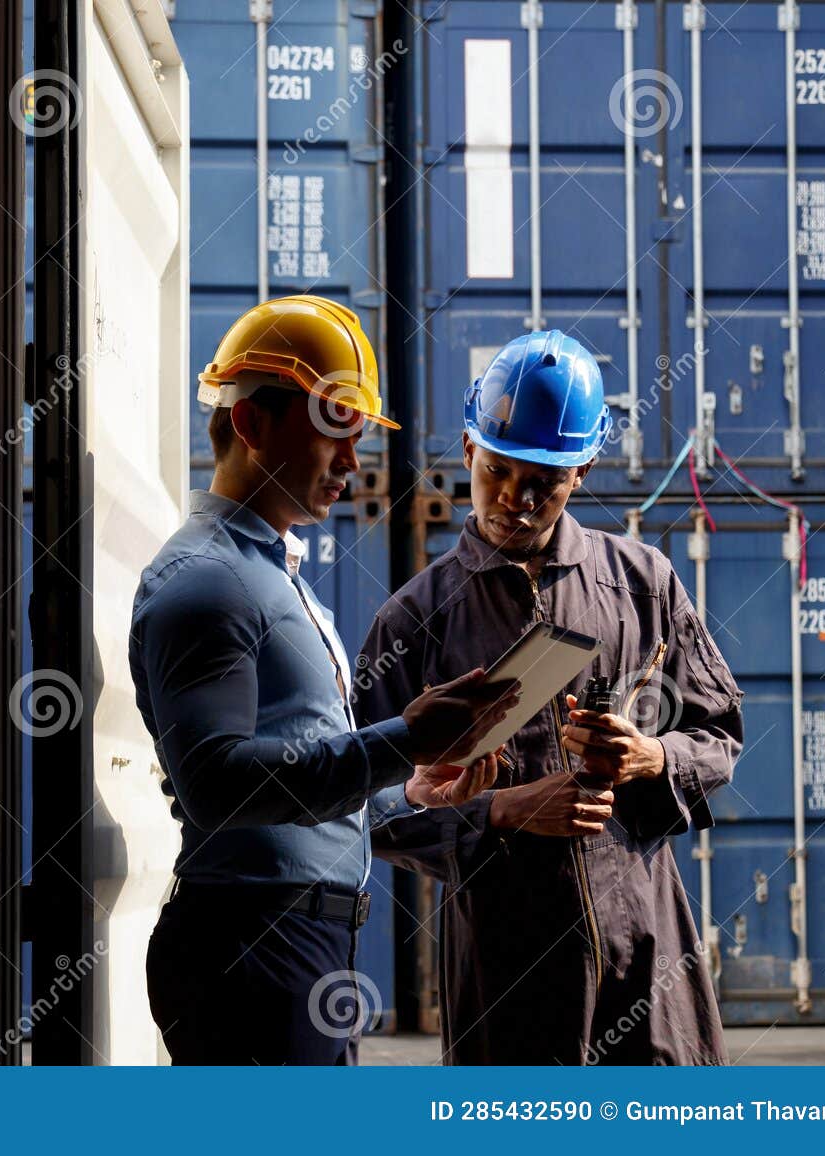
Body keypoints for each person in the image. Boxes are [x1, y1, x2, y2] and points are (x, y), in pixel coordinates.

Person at [128, 296, 518, 1065]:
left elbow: (295, 786)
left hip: (296, 945)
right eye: (335, 431)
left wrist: (412, 787)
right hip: (253, 947)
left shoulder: (273, 575)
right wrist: (405, 738)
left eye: (362, 437)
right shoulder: (209, 583)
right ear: (251, 424)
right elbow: (216, 784)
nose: (353, 461)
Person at [354, 330, 744, 1065]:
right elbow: (361, 809)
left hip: (647, 950)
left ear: (584, 469)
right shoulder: (414, 623)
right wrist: (501, 811)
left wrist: (650, 756)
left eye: (545, 480)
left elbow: (720, 729)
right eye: (499, 471)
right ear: (468, 450)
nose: (517, 500)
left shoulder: (643, 582)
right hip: (506, 969)